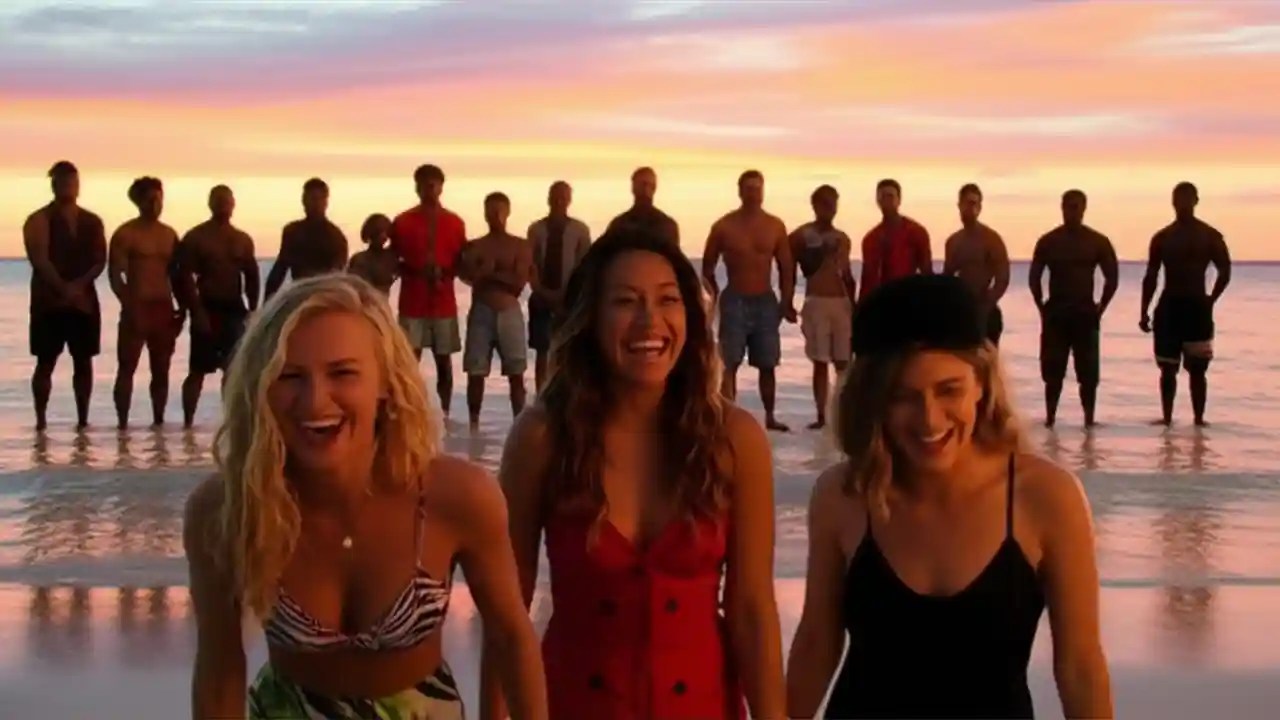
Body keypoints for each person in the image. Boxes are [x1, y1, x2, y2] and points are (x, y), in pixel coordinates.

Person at [182, 274, 548, 719]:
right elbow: (220, 668)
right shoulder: (225, 509)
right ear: (261, 388)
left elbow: (510, 636)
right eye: (290, 376)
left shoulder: (456, 497)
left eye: (342, 372)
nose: (315, 401)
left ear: (385, 383)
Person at [483, 227, 786, 720]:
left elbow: (752, 609)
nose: (650, 321)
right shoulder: (541, 439)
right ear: (591, 320)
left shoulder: (734, 439)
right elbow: (506, 614)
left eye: (668, 300)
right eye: (626, 302)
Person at [787, 274, 1113, 720]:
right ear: (872, 399)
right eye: (902, 396)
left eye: (949, 390)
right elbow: (816, 644)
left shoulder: (1045, 497)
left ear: (982, 384)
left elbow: (1079, 667)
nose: (929, 419)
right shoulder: (843, 494)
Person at [702, 170, 797, 432]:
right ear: (740, 191)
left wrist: (786, 300)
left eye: (757, 188)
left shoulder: (775, 226)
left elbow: (786, 266)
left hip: (765, 301)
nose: (753, 193)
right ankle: (726, 416)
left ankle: (770, 416)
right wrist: (716, 294)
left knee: (768, 363)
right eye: (748, 188)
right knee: (728, 362)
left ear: (763, 191)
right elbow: (707, 265)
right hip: (734, 300)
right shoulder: (724, 226)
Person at [24, 160, 107, 431]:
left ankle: (83, 420)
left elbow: (99, 261)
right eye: (64, 182)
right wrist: (63, 288)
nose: (70, 187)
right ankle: (40, 420)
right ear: (54, 184)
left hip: (83, 301)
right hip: (49, 301)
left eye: (74, 182)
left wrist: (78, 287)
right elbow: (39, 259)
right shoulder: (39, 219)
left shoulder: (92, 221)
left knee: (84, 362)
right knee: (45, 361)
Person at [1140, 181, 1231, 427]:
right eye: (1178, 198)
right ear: (1173, 202)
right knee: (1167, 368)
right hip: (1169, 306)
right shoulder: (1163, 237)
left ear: (1196, 201)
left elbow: (1225, 270)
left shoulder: (1209, 236)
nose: (1182, 203)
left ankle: (1199, 420)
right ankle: (1167, 418)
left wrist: (1211, 300)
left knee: (1198, 368)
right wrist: (1144, 312)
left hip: (1197, 306)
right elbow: (1151, 275)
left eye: (1187, 198)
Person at [1029, 189, 1119, 428]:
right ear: (1062, 208)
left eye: (1076, 206)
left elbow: (1112, 277)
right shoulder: (1049, 241)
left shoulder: (1096, 241)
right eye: (1068, 206)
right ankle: (1050, 419)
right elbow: (1034, 277)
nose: (1072, 211)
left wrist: (1101, 307)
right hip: (1057, 313)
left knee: (1088, 374)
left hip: (1084, 314)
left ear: (1084, 208)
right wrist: (1041, 307)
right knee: (1052, 372)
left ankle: (1089, 421)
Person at [174, 185, 260, 428]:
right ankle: (188, 423)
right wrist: (195, 310)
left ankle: (230, 423)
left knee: (233, 370)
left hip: (234, 307)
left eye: (227, 200)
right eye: (218, 200)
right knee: (198, 369)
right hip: (207, 306)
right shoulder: (197, 237)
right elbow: (184, 276)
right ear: (210, 203)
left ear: (233, 204)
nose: (223, 204)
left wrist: (253, 310)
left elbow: (252, 276)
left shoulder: (242, 240)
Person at [390, 164, 467, 416]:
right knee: (409, 363)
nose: (429, 188)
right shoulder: (402, 222)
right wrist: (415, 271)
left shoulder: (455, 222)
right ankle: (408, 412)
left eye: (433, 183)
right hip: (412, 302)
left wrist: (445, 274)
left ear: (441, 187)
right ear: (417, 187)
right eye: (424, 184)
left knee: (444, 362)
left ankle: (444, 414)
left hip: (444, 303)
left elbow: (463, 262)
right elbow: (392, 261)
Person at [107, 176, 184, 428]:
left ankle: (159, 423)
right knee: (127, 367)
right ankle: (122, 425)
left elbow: (178, 274)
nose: (154, 205)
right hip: (137, 305)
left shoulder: (169, 235)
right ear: (138, 202)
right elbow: (115, 274)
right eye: (149, 200)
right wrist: (128, 304)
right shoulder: (126, 234)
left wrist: (181, 308)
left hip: (162, 306)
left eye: (158, 199)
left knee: (161, 370)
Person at [458, 192, 533, 432]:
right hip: (482, 311)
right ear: (484, 213)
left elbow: (518, 282)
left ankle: (519, 426)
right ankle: (473, 425)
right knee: (475, 372)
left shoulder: (519, 245)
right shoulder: (476, 245)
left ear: (508, 212)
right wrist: (497, 273)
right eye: (491, 211)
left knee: (516, 373)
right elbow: (466, 274)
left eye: (499, 211)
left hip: (509, 311)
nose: (495, 216)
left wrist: (488, 273)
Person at [789, 184, 855, 430]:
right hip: (816, 299)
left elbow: (847, 274)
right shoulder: (800, 236)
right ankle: (821, 415)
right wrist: (787, 301)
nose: (830, 208)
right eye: (825, 203)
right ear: (815, 205)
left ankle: (843, 413)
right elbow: (791, 270)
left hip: (841, 301)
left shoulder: (843, 238)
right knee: (819, 361)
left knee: (843, 363)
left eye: (833, 203)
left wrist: (854, 304)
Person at [527, 180, 591, 392]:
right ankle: (541, 395)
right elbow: (530, 264)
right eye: (555, 196)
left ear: (569, 200)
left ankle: (568, 395)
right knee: (542, 350)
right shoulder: (536, 229)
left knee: (570, 350)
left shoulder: (580, 230)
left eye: (563, 197)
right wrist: (540, 290)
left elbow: (585, 265)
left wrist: (569, 294)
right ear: (548, 198)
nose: (559, 201)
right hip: (541, 296)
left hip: (570, 299)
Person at [942, 183, 1010, 345]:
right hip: (961, 310)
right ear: (959, 205)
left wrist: (987, 304)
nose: (970, 207)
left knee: (986, 360)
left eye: (974, 203)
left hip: (985, 308)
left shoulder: (991, 239)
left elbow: (1003, 278)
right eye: (966, 203)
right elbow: (948, 277)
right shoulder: (953, 241)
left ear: (980, 207)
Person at [264, 177, 348, 303]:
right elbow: (279, 270)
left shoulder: (335, 236)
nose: (314, 203)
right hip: (298, 295)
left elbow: (337, 276)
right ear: (303, 201)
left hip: (324, 298)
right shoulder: (292, 231)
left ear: (325, 202)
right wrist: (266, 304)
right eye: (310, 198)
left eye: (318, 199)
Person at [857, 178, 932, 302]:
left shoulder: (916, 232)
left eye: (890, 196)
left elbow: (927, 272)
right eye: (883, 196)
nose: (886, 200)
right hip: (880, 302)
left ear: (899, 200)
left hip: (908, 298)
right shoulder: (870, 239)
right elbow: (867, 279)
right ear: (877, 200)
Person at [604, 166, 680, 246]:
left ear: (654, 188)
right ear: (633, 187)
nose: (645, 189)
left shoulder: (667, 225)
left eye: (649, 185)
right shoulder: (619, 225)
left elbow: (675, 257)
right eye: (641, 184)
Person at [347, 213, 398, 295]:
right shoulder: (360, 260)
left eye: (386, 232)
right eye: (379, 232)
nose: (384, 236)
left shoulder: (391, 256)